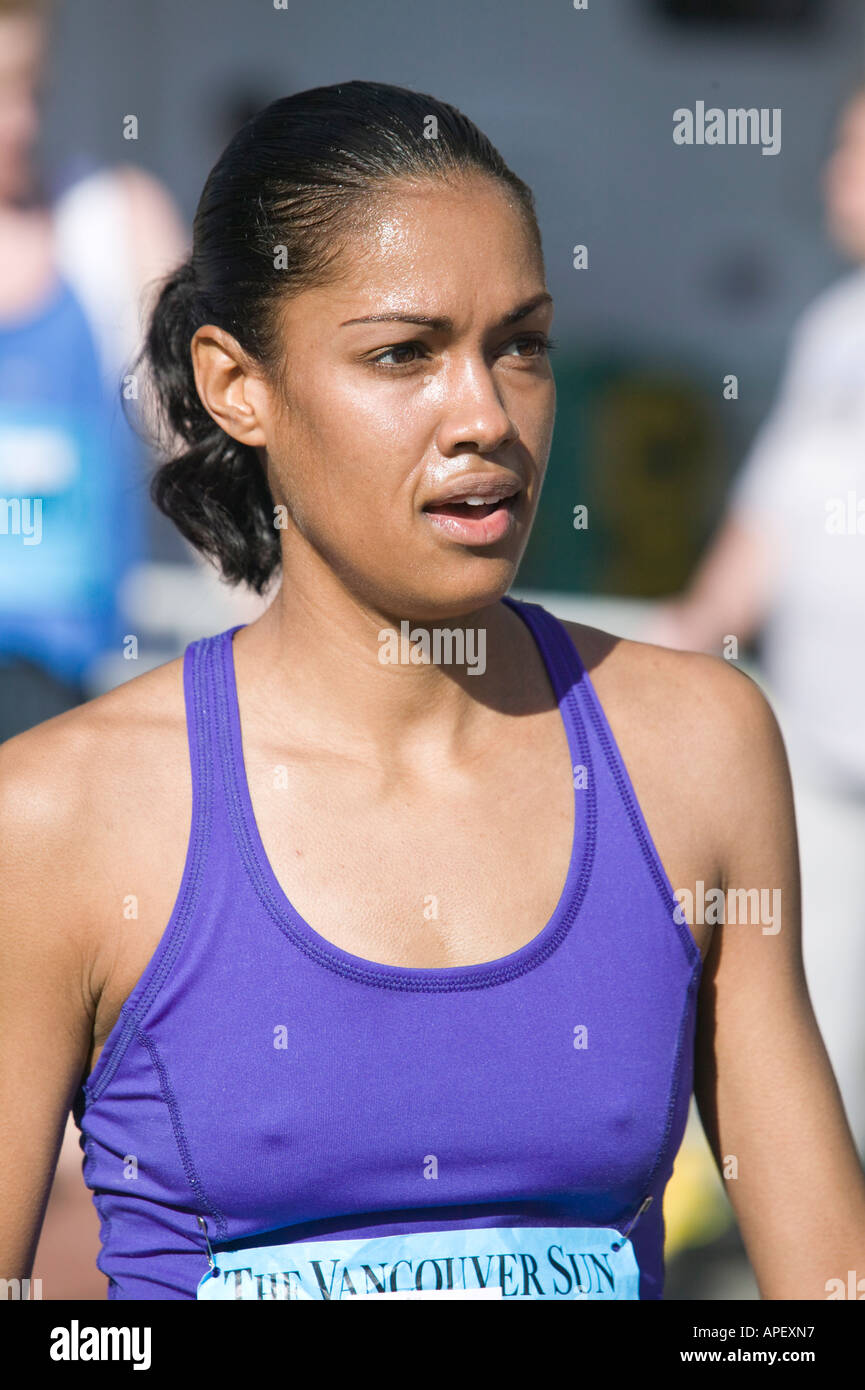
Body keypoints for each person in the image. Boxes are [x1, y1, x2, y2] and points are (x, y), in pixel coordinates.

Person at [1, 79, 863, 1303]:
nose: (485, 417)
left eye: (520, 344)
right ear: (236, 384)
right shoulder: (53, 815)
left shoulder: (696, 744)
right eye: (403, 354)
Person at [647, 80, 865, 1157]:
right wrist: (663, 660)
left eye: (853, 148)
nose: (832, 172)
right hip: (823, 766)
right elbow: (766, 531)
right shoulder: (835, 331)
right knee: (817, 1047)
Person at [0, 0, 189, 739]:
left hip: (63, 688)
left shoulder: (110, 225)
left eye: (30, 90)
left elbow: (206, 451)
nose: (17, 122)